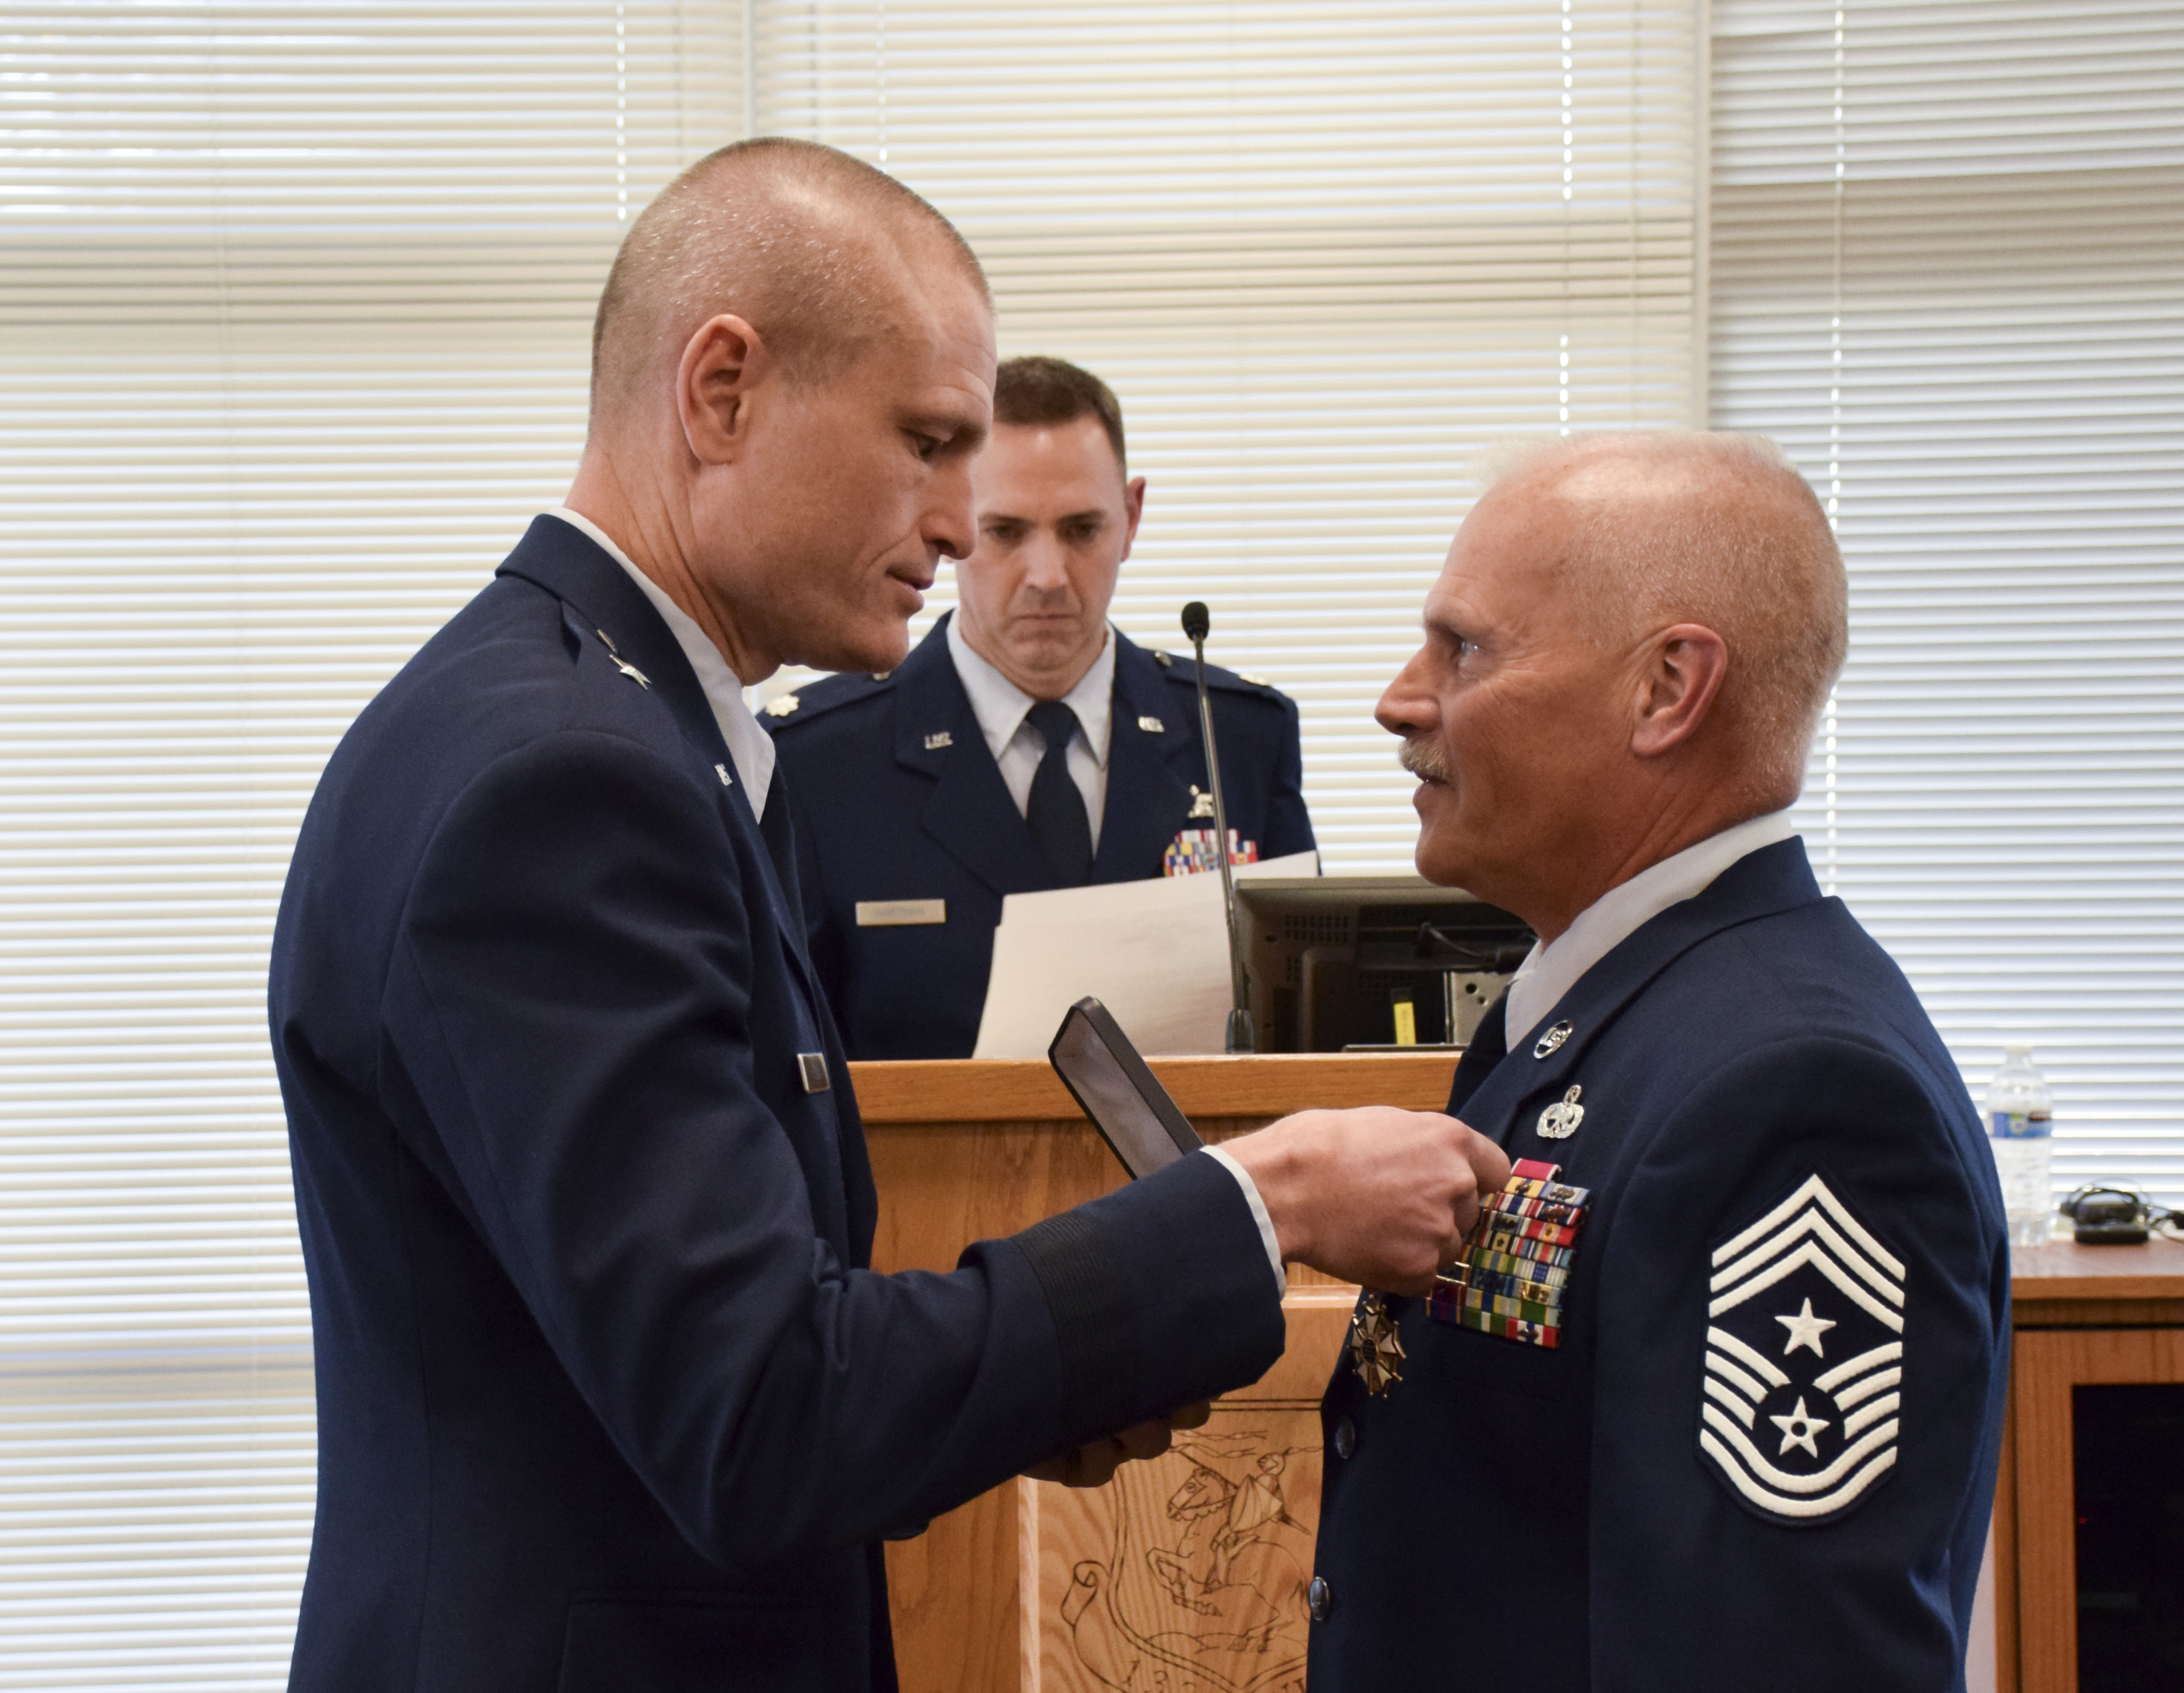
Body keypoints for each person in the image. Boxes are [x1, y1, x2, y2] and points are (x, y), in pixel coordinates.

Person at [267, 138, 1507, 1693]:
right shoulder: (570, 783)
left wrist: (1042, 1381)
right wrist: (1263, 1202)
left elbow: (741, 1337)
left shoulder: (620, 732)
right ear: (720, 392)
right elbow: (762, 1405)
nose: (956, 515)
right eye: (927, 443)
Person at [1306, 432, 2009, 1691]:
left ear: (1666, 690)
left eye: (1465, 648)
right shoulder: (1609, 1006)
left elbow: (1772, 1656)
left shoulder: (1792, 1091)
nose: (1402, 698)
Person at [761, 355, 1314, 1058]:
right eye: (1006, 532)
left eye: (1082, 530)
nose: (1047, 577)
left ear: (1132, 516)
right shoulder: (819, 756)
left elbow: (1298, 1028)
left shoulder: (1234, 733)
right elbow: (788, 1057)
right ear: (952, 521)